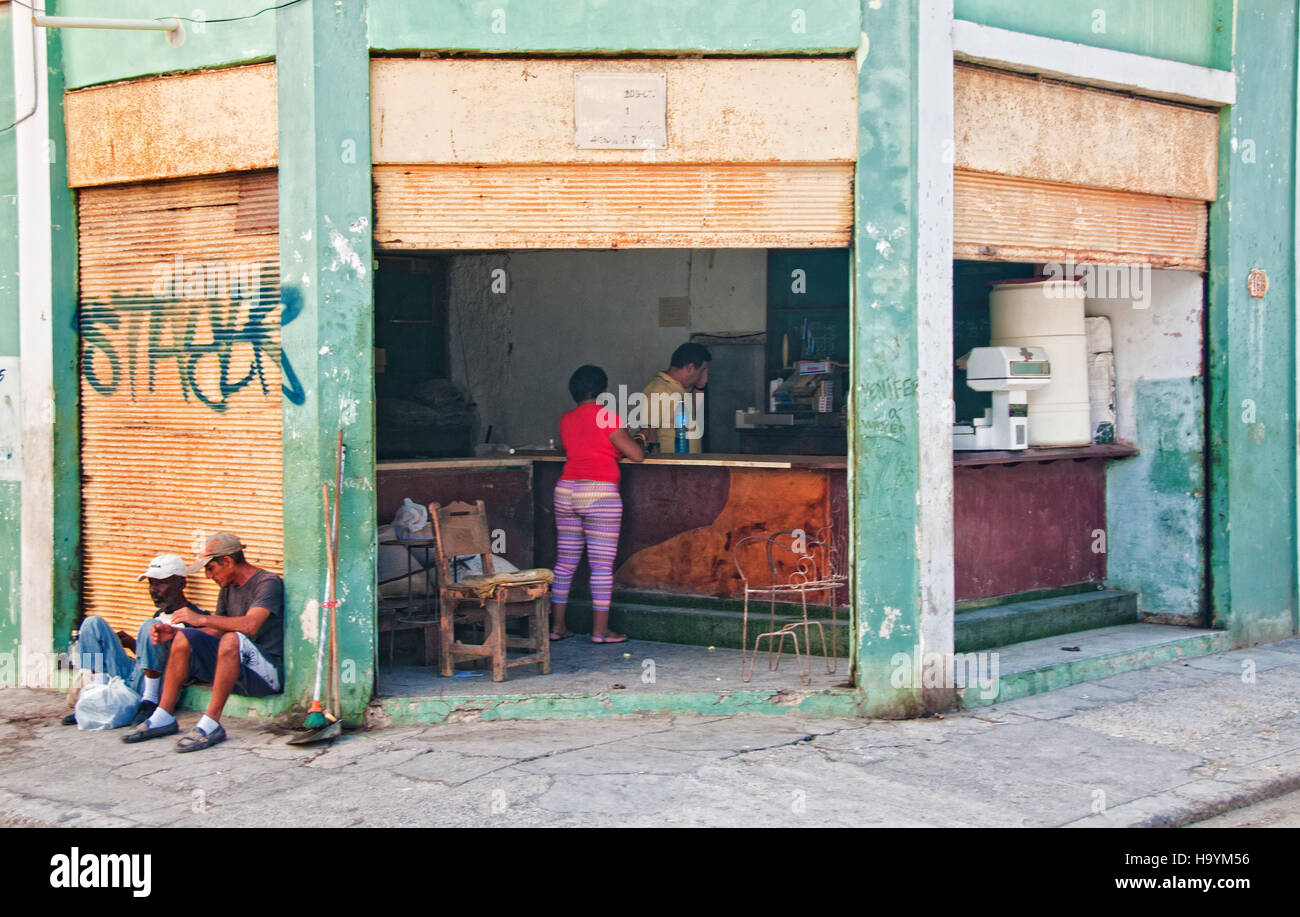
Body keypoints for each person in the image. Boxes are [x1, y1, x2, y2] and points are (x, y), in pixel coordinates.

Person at [122, 533, 284, 752]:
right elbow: (217, 629)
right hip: (235, 669)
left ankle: (211, 724)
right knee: (185, 636)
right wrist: (175, 632)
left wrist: (201, 619)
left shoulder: (268, 582)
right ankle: (164, 715)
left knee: (231, 639)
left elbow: (249, 625)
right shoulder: (227, 588)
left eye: (211, 568)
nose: (208, 576)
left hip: (266, 674)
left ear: (227, 562)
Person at [550, 365, 644, 644]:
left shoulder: (567, 419)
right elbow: (636, 455)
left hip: (566, 491)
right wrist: (639, 439)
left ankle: (557, 628)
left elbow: (587, 446)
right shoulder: (606, 417)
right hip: (599, 495)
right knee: (601, 567)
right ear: (603, 390)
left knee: (564, 565)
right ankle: (600, 631)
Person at [62, 553, 207, 727]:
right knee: (92, 623)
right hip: (136, 676)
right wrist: (131, 644)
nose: (153, 589)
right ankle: (98, 697)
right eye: (151, 583)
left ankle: (150, 702)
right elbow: (151, 657)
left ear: (181, 584)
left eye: (160, 583)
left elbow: (189, 665)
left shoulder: (198, 618)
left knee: (149, 625)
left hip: (161, 686)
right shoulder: (159, 615)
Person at [642, 342, 711, 454]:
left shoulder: (675, 387)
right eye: (702, 370)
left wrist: (700, 386)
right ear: (690, 368)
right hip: (673, 468)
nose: (703, 374)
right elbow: (647, 435)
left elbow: (693, 413)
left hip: (686, 467)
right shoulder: (658, 390)